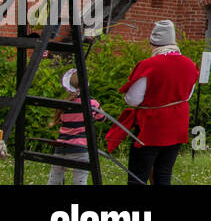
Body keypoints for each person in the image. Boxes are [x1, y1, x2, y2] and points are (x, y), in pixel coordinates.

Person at [106, 20, 199, 186]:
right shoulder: (190, 65)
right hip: (177, 124)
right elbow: (187, 95)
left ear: (153, 43)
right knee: (163, 173)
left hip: (151, 126)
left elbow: (133, 100)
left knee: (138, 175)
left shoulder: (149, 65)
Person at [47, 69, 105, 186]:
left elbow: (60, 121)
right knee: (79, 181)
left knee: (54, 179)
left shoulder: (63, 104)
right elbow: (102, 118)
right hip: (80, 147)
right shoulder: (92, 103)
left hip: (61, 147)